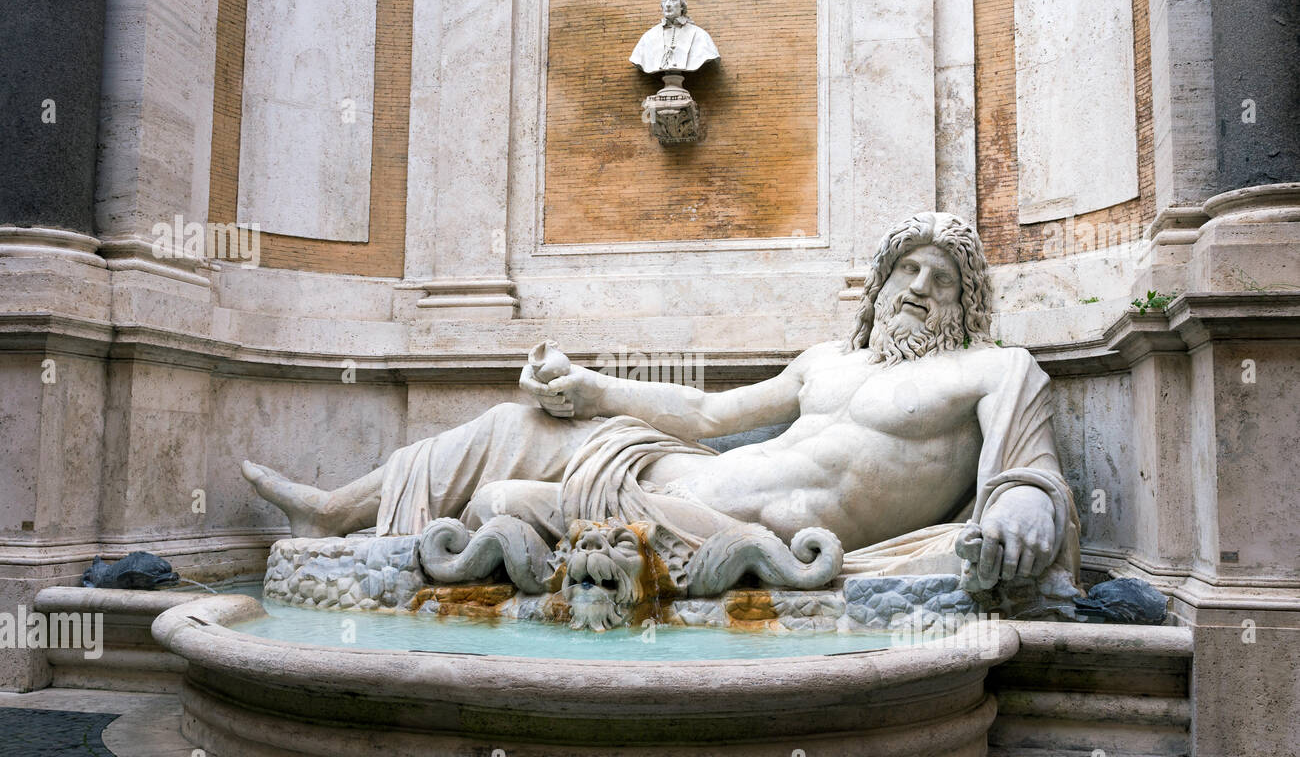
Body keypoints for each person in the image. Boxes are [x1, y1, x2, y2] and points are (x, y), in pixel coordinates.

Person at [243, 212, 1079, 592]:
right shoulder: (828, 361)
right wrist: (594, 390)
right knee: (518, 423)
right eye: (907, 270)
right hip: (696, 473)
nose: (919, 287)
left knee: (501, 502)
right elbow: (715, 417)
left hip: (748, 535)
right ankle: (337, 510)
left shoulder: (995, 371)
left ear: (964, 301)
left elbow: (1031, 476)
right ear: (882, 281)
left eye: (940, 278)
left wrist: (1030, 508)